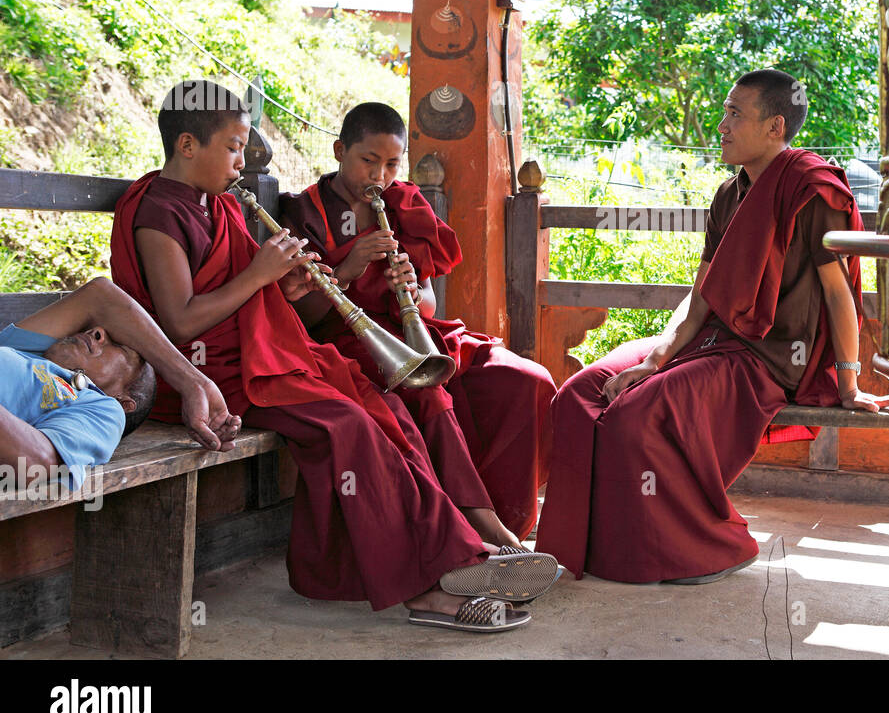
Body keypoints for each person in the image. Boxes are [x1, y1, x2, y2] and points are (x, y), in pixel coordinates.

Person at [109, 80, 558, 633]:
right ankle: (427, 588)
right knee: (350, 424)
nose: (239, 161)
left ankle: (459, 551)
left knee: (382, 408)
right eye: (232, 147)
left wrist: (286, 288)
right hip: (204, 377)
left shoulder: (214, 203)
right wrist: (260, 276)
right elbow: (178, 321)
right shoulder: (159, 211)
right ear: (186, 145)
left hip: (256, 357)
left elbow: (255, 296)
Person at [536, 69, 889, 584]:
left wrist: (850, 384)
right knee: (580, 394)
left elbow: (838, 292)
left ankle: (709, 547)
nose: (722, 125)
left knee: (638, 414)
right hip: (713, 338)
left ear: (776, 126)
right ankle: (593, 547)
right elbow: (700, 294)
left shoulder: (813, 191)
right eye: (725, 112)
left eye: (736, 114)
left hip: (770, 356)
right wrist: (655, 358)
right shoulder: (728, 196)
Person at [277, 102, 555, 546]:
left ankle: (513, 517)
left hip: (414, 335)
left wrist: (408, 285)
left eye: (391, 164)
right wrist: (347, 270)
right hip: (346, 344)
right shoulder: (305, 212)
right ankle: (481, 528)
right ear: (338, 151)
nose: (379, 176)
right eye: (368, 161)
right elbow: (301, 317)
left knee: (524, 379)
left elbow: (426, 304)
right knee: (426, 393)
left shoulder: (401, 203)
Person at [0, 276, 240, 492]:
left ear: (123, 401)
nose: (97, 332)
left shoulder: (100, 408)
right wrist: (194, 383)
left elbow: (35, 462)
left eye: (118, 346)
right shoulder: (25, 350)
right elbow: (100, 296)